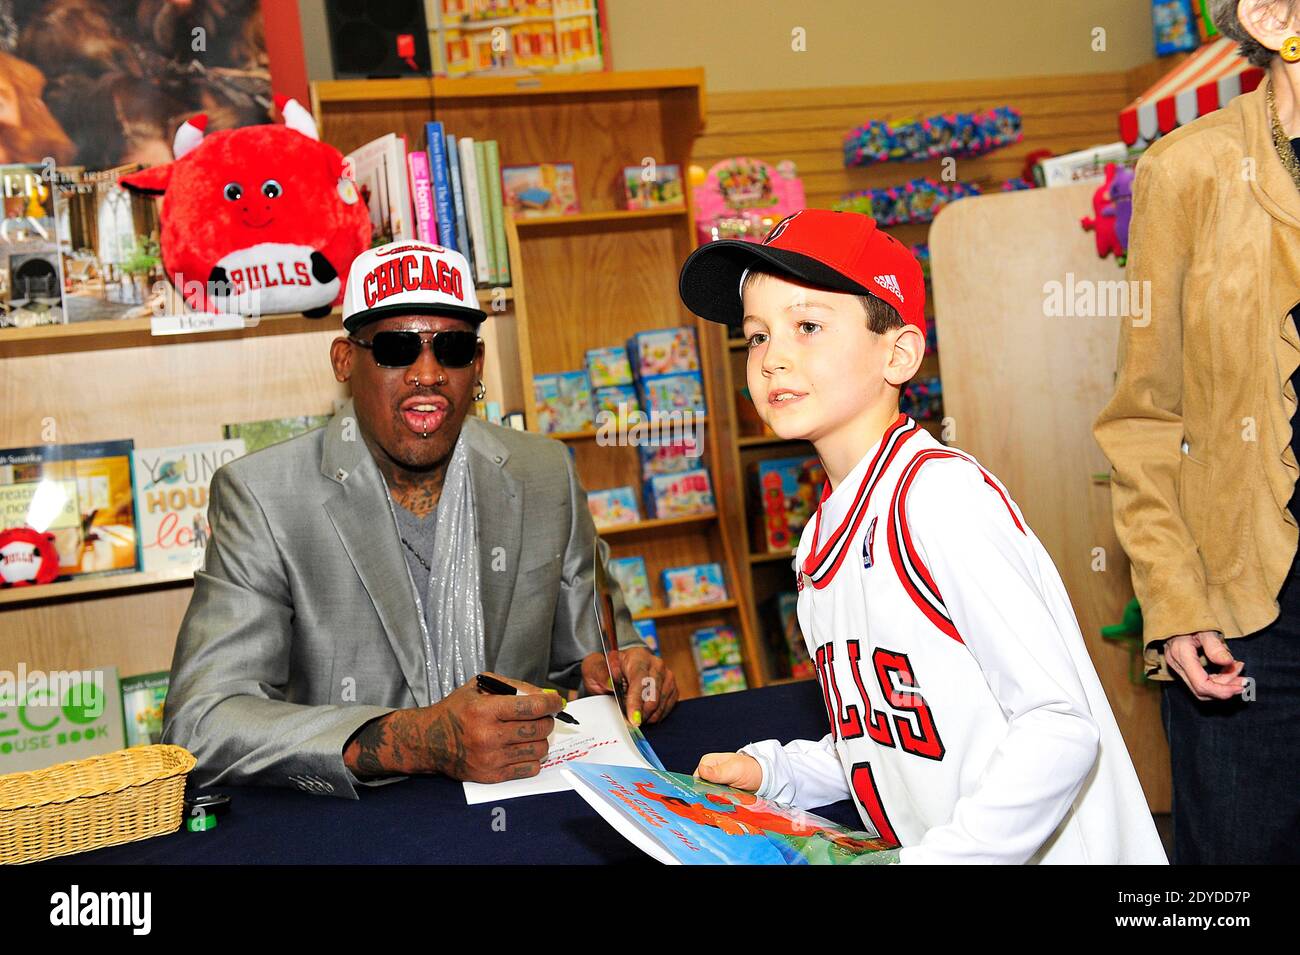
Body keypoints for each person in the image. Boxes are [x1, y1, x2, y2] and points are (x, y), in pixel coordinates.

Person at [678, 209, 1166, 864]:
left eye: (808, 326)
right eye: (757, 336)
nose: (773, 359)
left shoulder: (938, 499)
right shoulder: (824, 530)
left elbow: (1060, 727)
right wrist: (778, 773)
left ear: (899, 353)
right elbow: (897, 737)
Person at [163, 239, 678, 799]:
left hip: (526, 801)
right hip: (364, 830)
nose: (427, 373)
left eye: (452, 348)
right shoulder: (263, 496)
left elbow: (595, 653)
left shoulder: (543, 471)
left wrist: (624, 670)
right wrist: (414, 740)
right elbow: (203, 722)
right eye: (396, 348)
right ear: (344, 360)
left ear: (476, 364)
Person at [1093, 0, 1300, 864]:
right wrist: (1175, 604)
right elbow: (1144, 416)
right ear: (1271, 14)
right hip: (1248, 613)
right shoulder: (1188, 171)